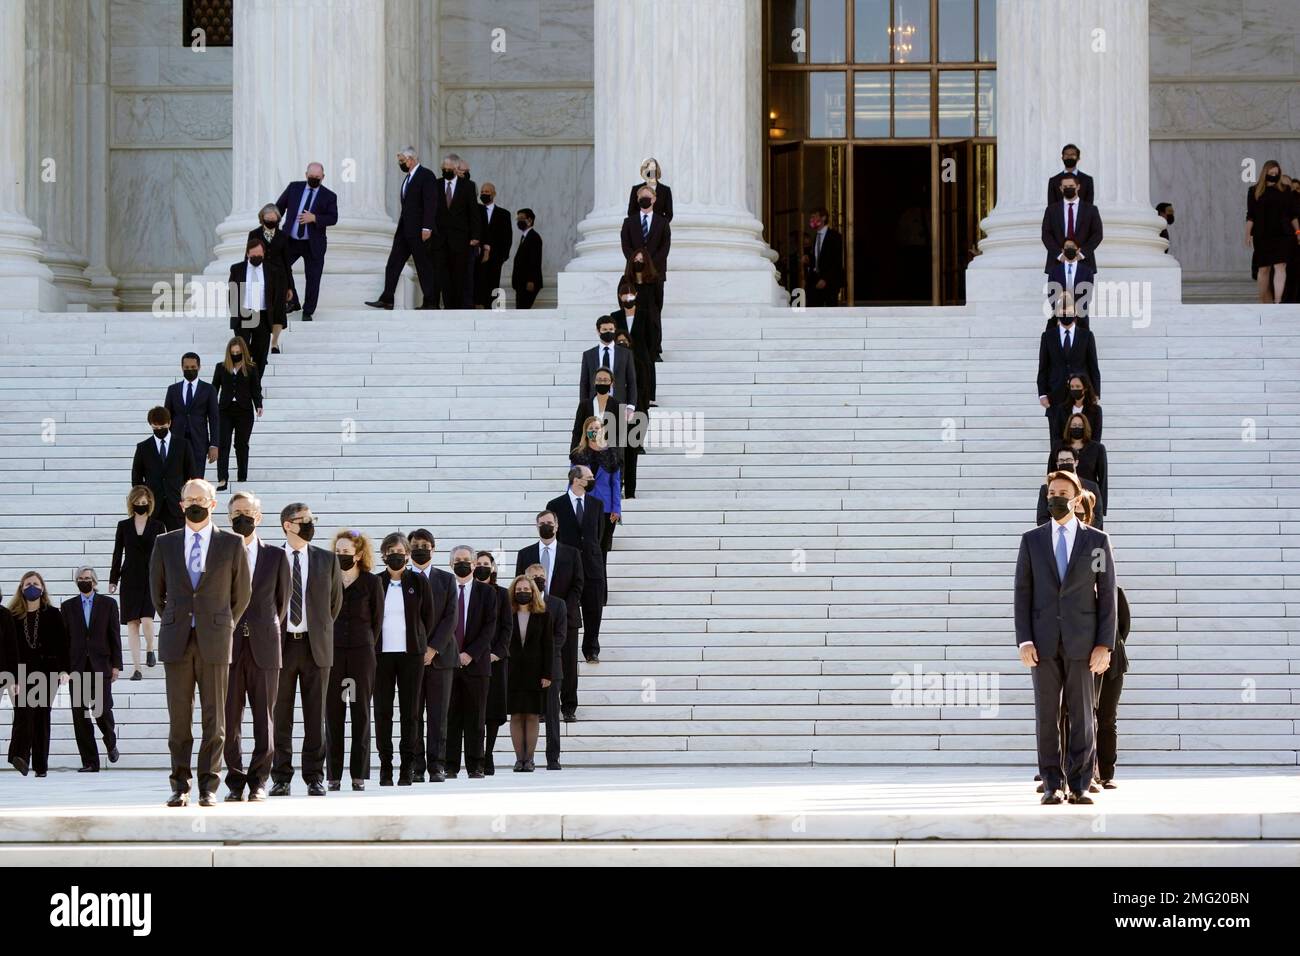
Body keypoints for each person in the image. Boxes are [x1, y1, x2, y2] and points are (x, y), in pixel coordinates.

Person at [1015, 469, 1117, 804]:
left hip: (1083, 641)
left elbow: (1107, 594)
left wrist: (1105, 644)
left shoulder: (1096, 541)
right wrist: (1024, 640)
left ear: (1076, 497)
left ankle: (1081, 783)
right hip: (1043, 643)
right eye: (1051, 493)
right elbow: (1022, 593)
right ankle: (1051, 784)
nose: (1056, 498)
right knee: (1046, 714)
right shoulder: (1032, 540)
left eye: (1062, 492)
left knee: (1083, 713)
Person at [150, 478, 251, 806]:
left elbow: (242, 594)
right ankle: (180, 785)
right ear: (181, 505)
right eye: (188, 498)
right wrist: (178, 618)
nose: (194, 503)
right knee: (179, 719)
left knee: (215, 718)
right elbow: (157, 593)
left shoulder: (232, 544)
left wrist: (224, 621)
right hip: (178, 640)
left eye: (200, 498)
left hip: (215, 638)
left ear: (212, 504)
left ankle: (209, 785)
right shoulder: (165, 543)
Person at [269, 502, 343, 797]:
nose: (310, 524)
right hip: (281, 647)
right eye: (304, 520)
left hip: (316, 647)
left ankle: (315, 776)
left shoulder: (327, 559)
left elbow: (333, 604)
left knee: (316, 716)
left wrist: (318, 630)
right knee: (281, 716)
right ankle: (281, 777)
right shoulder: (272, 558)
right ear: (288, 524)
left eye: (312, 519)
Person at [223, 491, 289, 802]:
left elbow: (282, 603)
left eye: (248, 512)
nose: (243, 518)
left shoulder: (276, 556)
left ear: (259, 517)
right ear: (228, 517)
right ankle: (235, 783)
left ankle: (259, 781)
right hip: (227, 648)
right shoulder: (219, 553)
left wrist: (263, 628)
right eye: (237, 513)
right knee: (229, 718)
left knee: (265, 718)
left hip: (264, 646)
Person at [373, 532, 434, 786]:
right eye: (391, 552)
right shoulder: (375, 582)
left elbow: (428, 617)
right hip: (380, 657)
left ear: (407, 555)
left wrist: (420, 642)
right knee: (383, 712)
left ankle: (407, 768)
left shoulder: (419, 582)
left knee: (411, 714)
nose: (396, 555)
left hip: (411, 656)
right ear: (384, 555)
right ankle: (385, 767)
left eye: (401, 551)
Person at [327, 529, 383, 791]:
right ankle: (334, 775)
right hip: (334, 653)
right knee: (334, 713)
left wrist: (366, 644)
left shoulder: (372, 583)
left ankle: (359, 774)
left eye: (346, 552)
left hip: (362, 653)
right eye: (338, 552)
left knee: (360, 712)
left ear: (358, 555)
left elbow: (377, 621)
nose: (341, 556)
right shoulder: (327, 578)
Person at [516, 511, 583, 723]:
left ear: (557, 525)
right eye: (542, 523)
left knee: (569, 663)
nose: (546, 526)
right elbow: (520, 585)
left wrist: (562, 608)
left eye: (550, 522)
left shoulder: (572, 553)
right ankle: (542, 706)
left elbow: (578, 584)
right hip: (534, 617)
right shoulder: (525, 553)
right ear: (536, 526)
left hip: (566, 616)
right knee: (538, 661)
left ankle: (569, 706)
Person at [6, 572, 69, 777]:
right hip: (20, 672)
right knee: (24, 711)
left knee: (42, 715)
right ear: (21, 588)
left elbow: (62, 644)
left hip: (48, 672)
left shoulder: (52, 614)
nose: (31, 587)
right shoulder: (12, 616)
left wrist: (64, 670)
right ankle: (20, 756)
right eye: (27, 584)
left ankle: (40, 766)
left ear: (42, 588)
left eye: (35, 583)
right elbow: (6, 648)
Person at [406, 529, 457, 782]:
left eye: (425, 545)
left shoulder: (447, 580)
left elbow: (451, 617)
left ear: (433, 549)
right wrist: (417, 650)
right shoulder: (400, 579)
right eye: (415, 545)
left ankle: (437, 765)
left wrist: (433, 648)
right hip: (409, 659)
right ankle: (416, 765)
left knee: (438, 715)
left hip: (441, 658)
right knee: (413, 714)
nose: (420, 549)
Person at [443, 546, 498, 779]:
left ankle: (476, 764)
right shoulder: (444, 589)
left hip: (477, 665)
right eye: (458, 560)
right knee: (450, 717)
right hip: (447, 663)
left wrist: (470, 654)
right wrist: (451, 653)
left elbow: (489, 628)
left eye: (466, 560)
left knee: (476, 718)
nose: (462, 564)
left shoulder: (487, 593)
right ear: (450, 564)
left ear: (474, 564)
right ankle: (450, 765)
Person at [60, 567, 121, 772]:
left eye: (87, 578)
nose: (83, 581)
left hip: (100, 665)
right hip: (76, 667)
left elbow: (114, 636)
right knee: (80, 715)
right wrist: (63, 669)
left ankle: (110, 741)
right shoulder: (67, 606)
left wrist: (116, 666)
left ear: (94, 582)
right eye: (80, 579)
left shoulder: (108, 604)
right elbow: (64, 640)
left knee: (101, 710)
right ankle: (90, 761)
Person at [547, 466, 606, 666]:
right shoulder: (556, 505)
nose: (592, 480)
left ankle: (591, 649)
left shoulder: (597, 504)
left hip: (592, 565)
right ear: (577, 480)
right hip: (567, 565)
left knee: (594, 608)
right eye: (589, 477)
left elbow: (599, 536)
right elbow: (556, 536)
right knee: (565, 607)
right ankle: (561, 647)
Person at [368, 147, 439, 310]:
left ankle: (430, 301)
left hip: (419, 231)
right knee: (393, 263)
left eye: (402, 161)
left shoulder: (426, 175)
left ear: (412, 159)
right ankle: (387, 298)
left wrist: (427, 227)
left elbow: (430, 203)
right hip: (404, 230)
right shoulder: (408, 178)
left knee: (423, 266)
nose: (400, 164)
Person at [110, 486, 166, 679]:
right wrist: (113, 579)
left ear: (149, 504)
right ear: (131, 503)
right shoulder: (123, 526)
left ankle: (151, 648)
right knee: (132, 624)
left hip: (150, 577)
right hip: (129, 578)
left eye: (144, 503)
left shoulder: (158, 526)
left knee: (147, 619)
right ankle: (137, 668)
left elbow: (163, 555)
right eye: (138, 503)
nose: (141, 506)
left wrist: (165, 579)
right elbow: (117, 553)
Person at [276, 162, 338, 322]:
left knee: (313, 278)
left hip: (313, 244)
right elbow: (279, 207)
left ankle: (308, 310)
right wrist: (273, 227)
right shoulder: (294, 188)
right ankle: (293, 301)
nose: (314, 179)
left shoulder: (329, 196)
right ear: (306, 175)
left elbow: (333, 218)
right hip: (291, 240)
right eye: (311, 177)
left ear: (323, 177)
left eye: (317, 177)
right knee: (279, 267)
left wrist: (315, 218)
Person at [506, 574, 553, 772]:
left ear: (533, 592)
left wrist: (547, 674)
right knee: (516, 716)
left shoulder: (543, 615)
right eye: (519, 590)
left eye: (526, 590)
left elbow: (548, 646)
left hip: (536, 673)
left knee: (532, 716)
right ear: (513, 592)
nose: (523, 593)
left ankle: (530, 759)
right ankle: (519, 759)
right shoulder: (506, 614)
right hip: (511, 672)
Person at [524, 562, 568, 769]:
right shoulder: (520, 604)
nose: (539, 579)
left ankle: (553, 758)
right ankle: (526, 757)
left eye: (541, 575)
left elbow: (560, 636)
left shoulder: (558, 604)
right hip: (526, 668)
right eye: (534, 576)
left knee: (552, 714)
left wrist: (544, 657)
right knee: (527, 714)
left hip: (552, 667)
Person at [474, 552, 513, 774]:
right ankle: (475, 753)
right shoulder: (466, 590)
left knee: (493, 712)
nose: (482, 567)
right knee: (473, 710)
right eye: (478, 564)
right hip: (470, 660)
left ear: (493, 568)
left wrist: (497, 653)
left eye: (486, 564)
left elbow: (507, 626)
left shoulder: (502, 594)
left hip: (495, 661)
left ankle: (487, 754)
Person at [131, 406, 198, 532]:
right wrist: (144, 501)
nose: (159, 430)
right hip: (153, 507)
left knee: (178, 546)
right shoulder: (143, 448)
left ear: (169, 423)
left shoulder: (183, 445)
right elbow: (137, 478)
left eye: (162, 427)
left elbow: (192, 476)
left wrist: (188, 500)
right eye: (155, 428)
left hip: (177, 505)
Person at [211, 336, 263, 491]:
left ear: (243, 352)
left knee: (241, 443)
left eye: (238, 352)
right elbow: (214, 388)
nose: (235, 354)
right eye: (233, 352)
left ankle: (242, 474)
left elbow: (255, 388)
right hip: (224, 410)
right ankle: (222, 478)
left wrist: (258, 404)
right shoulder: (221, 367)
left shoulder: (251, 368)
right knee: (223, 444)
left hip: (244, 410)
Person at [1246, 160, 1300, 304]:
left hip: (1283, 234)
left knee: (1280, 266)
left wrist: (1298, 232)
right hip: (1262, 234)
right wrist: (1247, 234)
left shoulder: (1285, 190)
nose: (1274, 176)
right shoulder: (1254, 191)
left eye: (1276, 173)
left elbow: (1292, 214)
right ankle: (1263, 301)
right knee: (1263, 269)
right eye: (1271, 173)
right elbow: (1250, 215)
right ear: (1265, 173)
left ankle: (1277, 301)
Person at [622, 186, 670, 343]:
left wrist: (648, 264)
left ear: (654, 199)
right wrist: (636, 261)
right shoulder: (629, 222)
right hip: (634, 274)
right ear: (637, 200)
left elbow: (664, 248)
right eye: (641, 197)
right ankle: (636, 343)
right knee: (635, 311)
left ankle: (655, 348)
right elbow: (626, 245)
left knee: (655, 312)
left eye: (647, 196)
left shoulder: (662, 222)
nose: (644, 199)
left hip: (655, 274)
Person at [434, 152, 482, 308]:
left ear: (456, 169)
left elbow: (473, 212)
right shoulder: (436, 184)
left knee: (460, 275)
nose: (446, 171)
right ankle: (448, 306)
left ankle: (461, 306)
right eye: (443, 168)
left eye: (449, 168)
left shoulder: (467, 186)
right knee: (444, 275)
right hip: (441, 239)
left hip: (461, 239)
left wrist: (475, 235)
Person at [571, 416, 623, 558]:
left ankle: (601, 580)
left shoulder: (612, 454)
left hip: (605, 508)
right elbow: (572, 482)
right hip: (583, 506)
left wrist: (616, 508)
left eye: (597, 428)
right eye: (590, 429)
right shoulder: (578, 454)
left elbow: (616, 483)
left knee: (602, 551)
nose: (594, 431)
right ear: (585, 431)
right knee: (584, 550)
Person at [249, 203, 297, 354]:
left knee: (278, 313)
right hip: (259, 277)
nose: (270, 221)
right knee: (259, 311)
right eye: (267, 218)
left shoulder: (283, 236)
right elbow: (247, 257)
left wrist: (290, 286)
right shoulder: (254, 234)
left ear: (278, 219)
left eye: (273, 219)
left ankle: (274, 343)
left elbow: (287, 262)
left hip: (279, 280)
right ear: (262, 219)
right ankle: (257, 340)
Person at [164, 352, 219, 480]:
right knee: (177, 480)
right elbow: (167, 417)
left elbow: (214, 419)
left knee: (197, 480)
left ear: (199, 367)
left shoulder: (209, 389)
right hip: (177, 441)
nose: (190, 370)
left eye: (193, 367)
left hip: (199, 441)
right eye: (187, 367)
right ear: (182, 367)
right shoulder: (172, 390)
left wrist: (214, 445)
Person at [1037, 311, 1100, 409]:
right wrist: (1042, 394)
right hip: (1055, 395)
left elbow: (1093, 366)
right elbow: (1043, 367)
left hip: (1081, 395)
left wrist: (1095, 393)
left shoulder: (1087, 336)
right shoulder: (1047, 336)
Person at [1042, 174, 1102, 275]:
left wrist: (1081, 254)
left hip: (1085, 263)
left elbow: (1097, 234)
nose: (1068, 189)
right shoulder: (1051, 210)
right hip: (1057, 264)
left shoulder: (1091, 210)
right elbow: (1046, 234)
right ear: (1061, 188)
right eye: (1065, 187)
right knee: (1058, 291)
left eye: (1071, 186)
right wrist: (1060, 255)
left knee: (1083, 291)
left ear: (1078, 187)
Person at [228, 237, 275, 369]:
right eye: (253, 254)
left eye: (259, 254)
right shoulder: (237, 269)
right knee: (242, 351)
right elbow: (232, 292)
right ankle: (244, 381)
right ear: (247, 254)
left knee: (261, 354)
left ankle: (256, 385)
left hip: (263, 315)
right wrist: (235, 312)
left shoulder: (271, 270)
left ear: (264, 253)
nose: (256, 257)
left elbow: (275, 295)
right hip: (243, 314)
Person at [1051, 413, 1108, 516]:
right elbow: (1050, 473)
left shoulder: (1097, 448)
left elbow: (1103, 479)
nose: (1077, 428)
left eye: (1080, 426)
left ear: (1085, 427)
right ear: (1069, 427)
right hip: (1062, 497)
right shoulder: (1058, 446)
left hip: (1089, 496)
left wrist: (1102, 508)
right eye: (1073, 425)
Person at [615, 328, 649, 497]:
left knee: (631, 456)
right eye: (619, 342)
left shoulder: (639, 364)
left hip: (636, 415)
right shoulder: (610, 366)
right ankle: (616, 488)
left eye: (625, 341)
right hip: (613, 416)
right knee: (615, 455)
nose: (622, 344)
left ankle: (630, 491)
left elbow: (644, 391)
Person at [610, 280, 655, 406]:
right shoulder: (615, 315)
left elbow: (651, 336)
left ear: (636, 295)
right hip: (622, 353)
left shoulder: (645, 314)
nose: (628, 299)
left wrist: (649, 352)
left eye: (630, 295)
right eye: (625, 296)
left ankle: (647, 398)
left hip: (641, 352)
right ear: (620, 297)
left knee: (644, 375)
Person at [1035, 447, 1103, 530]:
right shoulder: (1046, 488)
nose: (1065, 463)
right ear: (1057, 464)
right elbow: (1042, 518)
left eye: (1069, 460)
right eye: (1061, 460)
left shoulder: (1091, 487)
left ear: (1076, 462)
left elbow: (1098, 517)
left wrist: (1082, 532)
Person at [572, 366, 633, 457]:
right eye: (599, 380)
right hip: (587, 455)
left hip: (609, 457)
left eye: (605, 380)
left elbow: (621, 436)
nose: (602, 382)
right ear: (594, 382)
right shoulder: (584, 405)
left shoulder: (619, 406)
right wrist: (574, 455)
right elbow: (577, 431)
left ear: (611, 383)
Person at [581, 315, 638, 411]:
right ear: (598, 331)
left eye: (611, 329)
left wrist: (631, 406)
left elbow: (631, 381)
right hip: (595, 404)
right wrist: (583, 405)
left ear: (615, 330)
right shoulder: (588, 355)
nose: (608, 332)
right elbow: (584, 383)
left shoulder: (626, 354)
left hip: (619, 404)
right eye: (605, 329)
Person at [474, 182, 512, 308]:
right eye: (482, 192)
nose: (484, 194)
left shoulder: (504, 214)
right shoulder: (475, 211)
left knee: (492, 285)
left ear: (494, 194)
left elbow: (507, 237)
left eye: (487, 192)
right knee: (477, 283)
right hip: (477, 257)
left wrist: (502, 257)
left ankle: (491, 309)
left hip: (495, 258)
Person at [1044, 238, 1095, 328]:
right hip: (1059, 315)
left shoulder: (1087, 271)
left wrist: (1075, 310)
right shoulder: (1054, 271)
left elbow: (1088, 295)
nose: (1069, 249)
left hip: (1080, 317)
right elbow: (1051, 293)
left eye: (1072, 247)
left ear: (1078, 250)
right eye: (1067, 247)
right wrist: (1061, 309)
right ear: (1063, 250)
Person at [624, 249, 663, 364]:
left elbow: (659, 300)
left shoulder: (655, 280)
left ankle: (654, 353)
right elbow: (622, 299)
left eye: (641, 260)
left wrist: (653, 313)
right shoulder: (625, 280)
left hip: (650, 315)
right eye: (635, 260)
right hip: (632, 314)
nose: (638, 262)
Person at [803, 207, 844, 307]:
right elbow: (818, 258)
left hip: (830, 282)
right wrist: (809, 260)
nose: (811, 220)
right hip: (815, 281)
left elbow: (836, 261)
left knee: (831, 311)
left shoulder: (834, 236)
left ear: (823, 218)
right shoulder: (816, 236)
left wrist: (825, 279)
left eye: (814, 217)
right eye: (811, 217)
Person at [1046, 373, 1102, 446]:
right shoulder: (1061, 409)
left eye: (1078, 386)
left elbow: (1096, 435)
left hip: (1088, 452)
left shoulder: (1096, 410)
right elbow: (1057, 434)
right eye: (1072, 387)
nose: (1074, 389)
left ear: (1085, 388)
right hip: (1066, 452)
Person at [626, 157, 673, 223]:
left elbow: (669, 214)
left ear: (657, 170)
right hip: (640, 229)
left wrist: (661, 226)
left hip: (658, 230)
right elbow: (631, 212)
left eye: (652, 168)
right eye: (647, 168)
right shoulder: (635, 189)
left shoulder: (666, 190)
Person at [512, 208, 543, 308]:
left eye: (521, 218)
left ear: (530, 220)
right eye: (518, 219)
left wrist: (531, 280)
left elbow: (535, 260)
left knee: (523, 309)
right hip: (521, 283)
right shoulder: (525, 236)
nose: (518, 221)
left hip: (528, 283)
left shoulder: (534, 237)